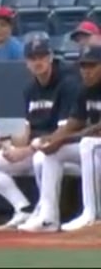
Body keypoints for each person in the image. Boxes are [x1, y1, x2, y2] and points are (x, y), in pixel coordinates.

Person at [0, 36, 75, 231]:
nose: (38, 62)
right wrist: (7, 141)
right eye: (33, 58)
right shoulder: (30, 89)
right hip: (34, 147)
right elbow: (27, 131)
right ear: (26, 62)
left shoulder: (66, 84)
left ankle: (47, 216)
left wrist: (27, 150)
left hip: (58, 148)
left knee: (41, 159)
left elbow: (62, 131)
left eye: (42, 57)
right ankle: (23, 207)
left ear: (50, 57)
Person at [27, 45, 101, 233]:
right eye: (83, 66)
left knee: (88, 144)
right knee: (54, 153)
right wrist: (51, 140)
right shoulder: (85, 89)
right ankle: (48, 217)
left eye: (92, 66)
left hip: (95, 145)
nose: (87, 71)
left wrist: (64, 139)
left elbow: (96, 129)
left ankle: (93, 214)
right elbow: (73, 123)